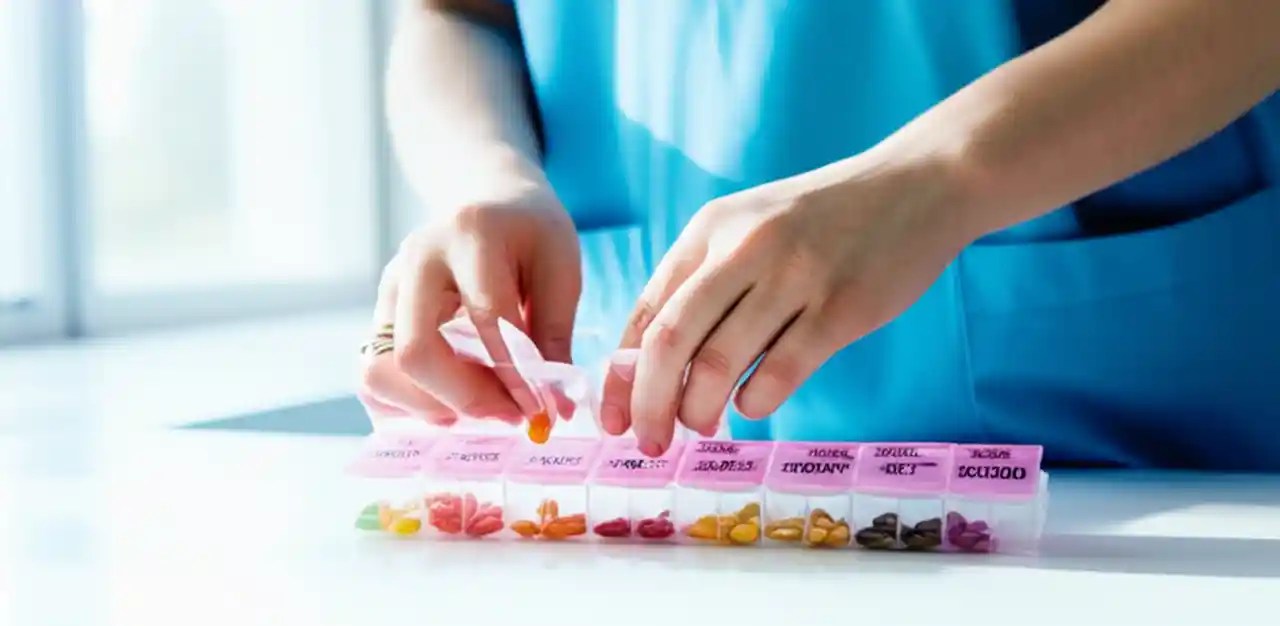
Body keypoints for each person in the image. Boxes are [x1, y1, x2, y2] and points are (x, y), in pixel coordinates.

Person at [359, 0, 1280, 470]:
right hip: (654, 477)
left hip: (1114, 435)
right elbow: (459, 13)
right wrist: (485, 175)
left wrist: (934, 178)